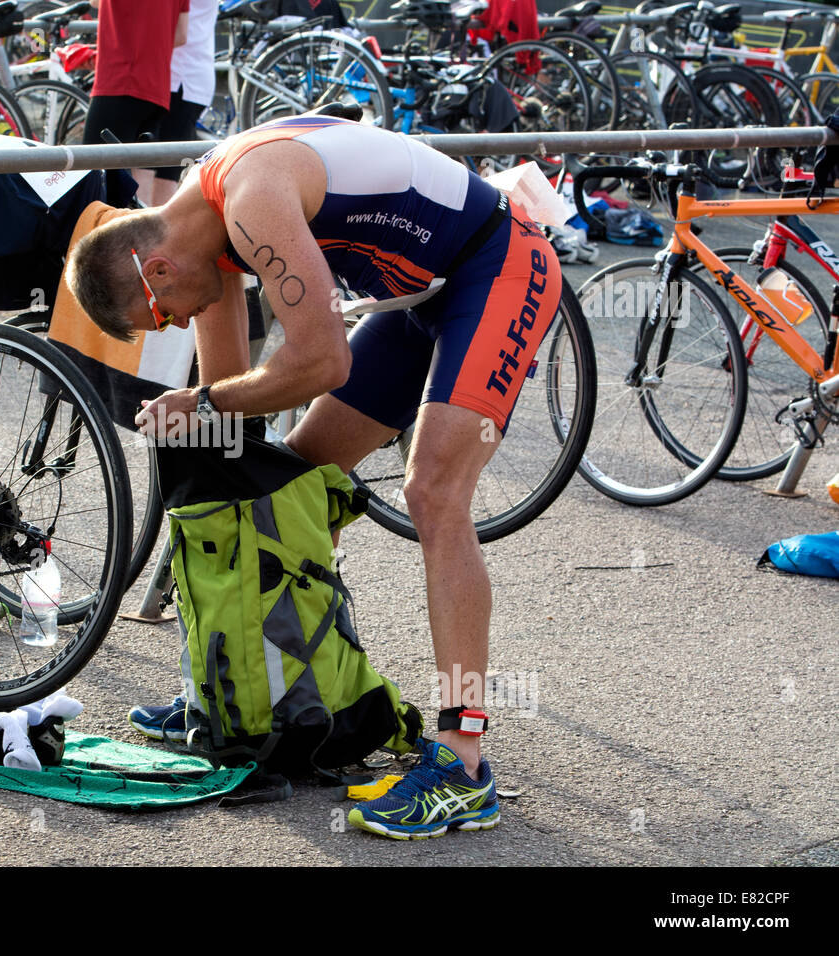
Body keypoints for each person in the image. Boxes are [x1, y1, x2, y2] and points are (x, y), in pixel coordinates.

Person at [65, 114, 562, 840]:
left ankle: (463, 760)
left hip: (500, 266)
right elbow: (235, 416)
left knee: (433, 493)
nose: (178, 323)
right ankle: (260, 692)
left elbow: (319, 363)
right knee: (293, 487)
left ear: (157, 269)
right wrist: (200, 433)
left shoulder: (249, 197)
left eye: (163, 316)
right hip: (420, 298)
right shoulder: (209, 239)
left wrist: (198, 403)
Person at [83, 0, 190, 203]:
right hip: (156, 87)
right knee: (136, 200)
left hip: (121, 80)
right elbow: (181, 34)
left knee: (91, 189)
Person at [151, 0, 218, 205]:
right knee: (162, 169)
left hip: (179, 78)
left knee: (160, 171)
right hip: (188, 76)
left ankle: (159, 233)